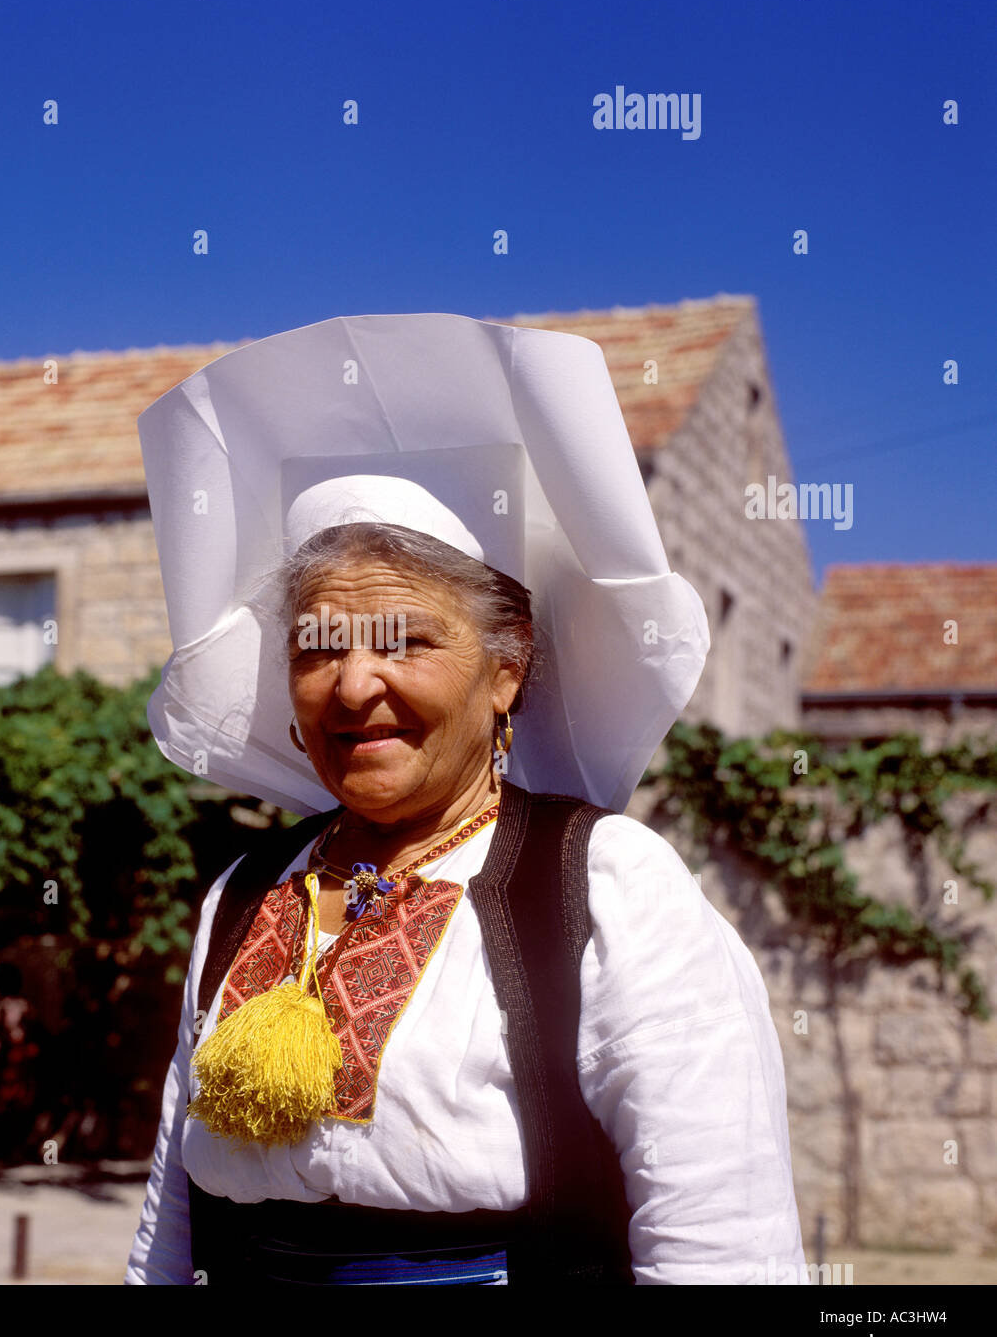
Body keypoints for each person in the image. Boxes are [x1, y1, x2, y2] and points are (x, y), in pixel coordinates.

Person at [123, 312, 808, 1285]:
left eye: (404, 641)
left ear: (506, 670)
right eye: (318, 647)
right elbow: (168, 1223)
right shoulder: (245, 895)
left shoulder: (606, 889)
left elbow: (721, 1248)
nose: (354, 686)